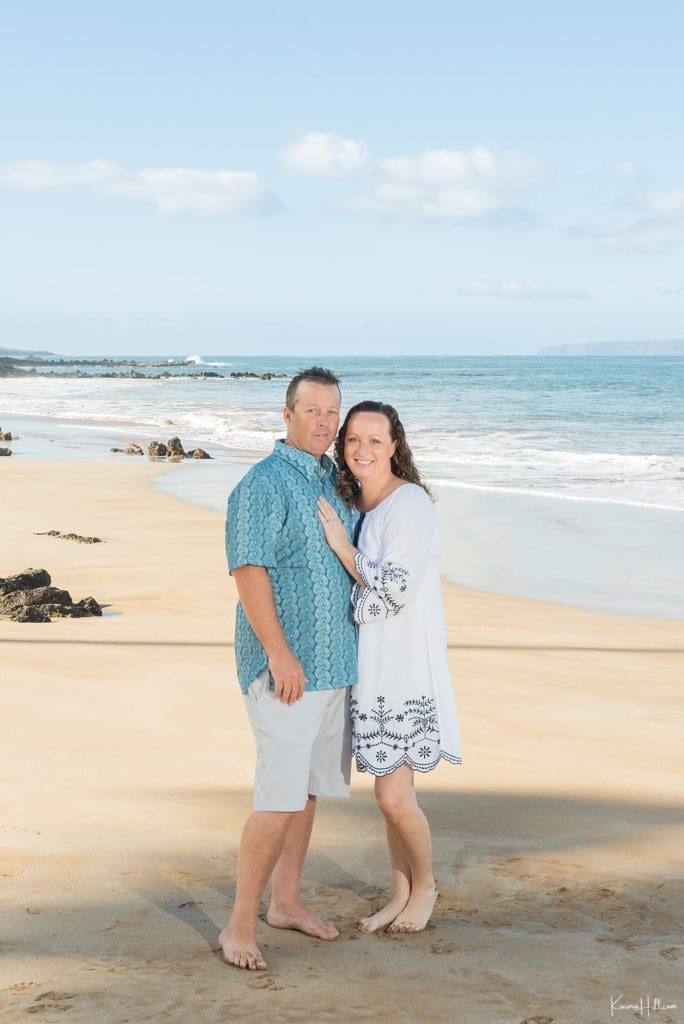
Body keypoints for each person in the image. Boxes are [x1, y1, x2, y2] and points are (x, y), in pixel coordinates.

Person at [219, 367, 357, 971]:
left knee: (303, 792)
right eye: (313, 412)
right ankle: (238, 926)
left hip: (333, 668)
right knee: (276, 798)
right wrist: (278, 653)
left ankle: (288, 903)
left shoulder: (335, 480)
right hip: (286, 671)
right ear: (287, 414)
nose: (325, 423)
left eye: (333, 413)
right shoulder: (262, 485)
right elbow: (249, 571)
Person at [317, 400, 461, 934]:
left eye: (375, 440)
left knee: (392, 794)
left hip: (404, 663)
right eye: (353, 440)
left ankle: (424, 888)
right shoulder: (368, 507)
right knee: (389, 792)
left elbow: (394, 588)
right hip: (375, 662)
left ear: (395, 446)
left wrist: (340, 548)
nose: (363, 450)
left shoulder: (411, 504)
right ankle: (399, 894)